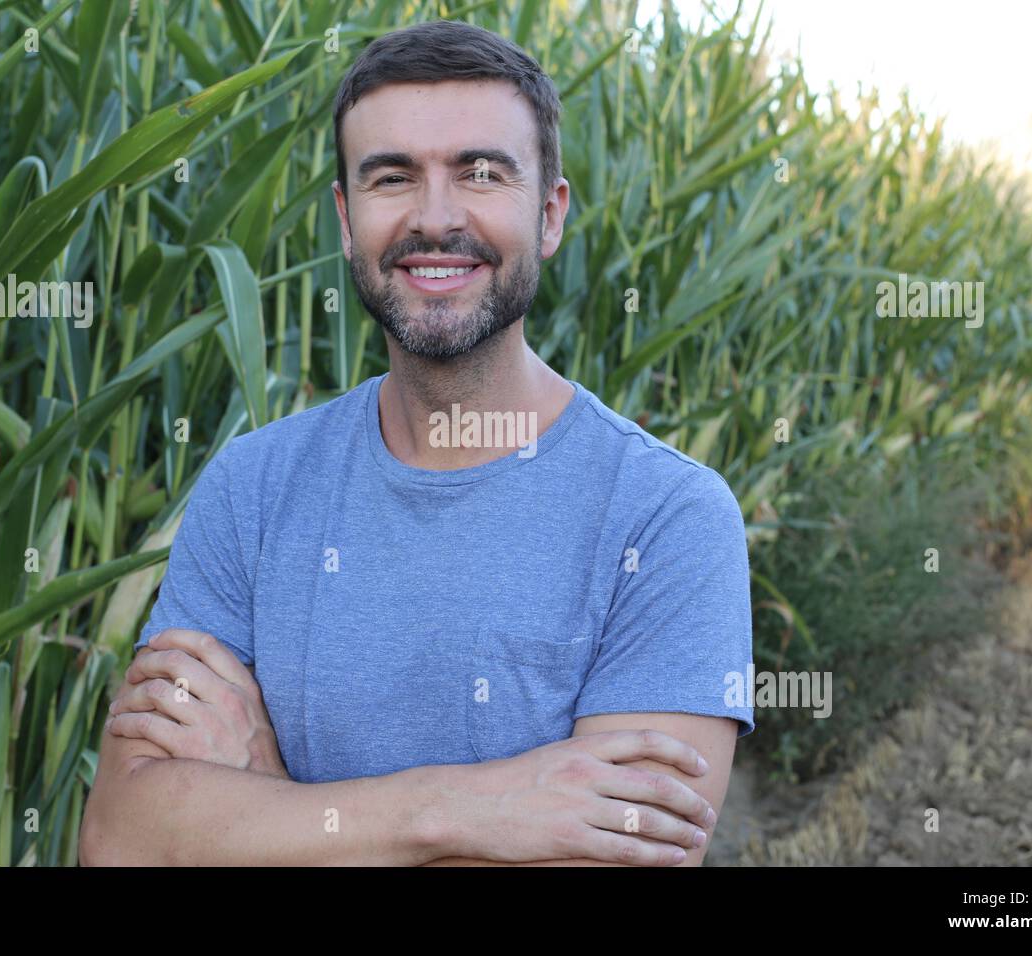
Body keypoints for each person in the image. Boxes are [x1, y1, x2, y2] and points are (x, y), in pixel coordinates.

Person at [79, 18, 754, 867]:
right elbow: (123, 839)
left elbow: (611, 861)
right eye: (393, 177)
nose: (435, 220)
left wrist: (267, 792)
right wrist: (460, 812)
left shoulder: (665, 518)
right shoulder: (250, 487)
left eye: (480, 173)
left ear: (549, 215)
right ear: (344, 215)